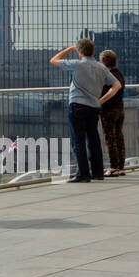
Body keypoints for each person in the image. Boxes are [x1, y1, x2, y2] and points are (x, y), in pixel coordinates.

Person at [50, 40, 120, 182]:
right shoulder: (101, 67)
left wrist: (69, 49)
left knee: (78, 141)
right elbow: (116, 85)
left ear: (79, 51)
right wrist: (102, 100)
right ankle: (98, 172)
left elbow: (54, 60)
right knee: (93, 140)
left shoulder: (78, 64)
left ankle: (83, 174)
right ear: (93, 51)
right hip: (94, 107)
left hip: (77, 106)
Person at [98, 49, 128, 177]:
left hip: (109, 110)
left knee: (110, 139)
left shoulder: (108, 76)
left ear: (104, 62)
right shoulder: (120, 74)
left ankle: (113, 168)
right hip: (120, 109)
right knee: (119, 138)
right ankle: (120, 167)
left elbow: (109, 91)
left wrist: (100, 100)